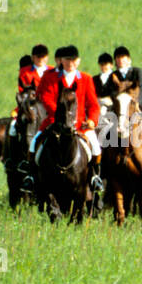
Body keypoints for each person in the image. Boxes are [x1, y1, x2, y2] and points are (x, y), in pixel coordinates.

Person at [31, 45, 104, 192]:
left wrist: (92, 121)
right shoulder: (50, 77)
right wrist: (60, 116)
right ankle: (31, 177)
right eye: (67, 60)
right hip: (54, 122)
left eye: (73, 60)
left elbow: (93, 105)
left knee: (96, 147)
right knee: (34, 143)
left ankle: (95, 177)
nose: (70, 63)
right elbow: (45, 98)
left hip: (80, 125)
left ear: (78, 61)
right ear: (61, 61)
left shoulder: (86, 78)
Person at [110, 46, 142, 111]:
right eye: (118, 57)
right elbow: (112, 92)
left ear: (128, 59)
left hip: (139, 104)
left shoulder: (137, 71)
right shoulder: (113, 75)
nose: (121, 60)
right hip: (119, 106)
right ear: (115, 60)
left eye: (123, 57)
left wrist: (138, 101)